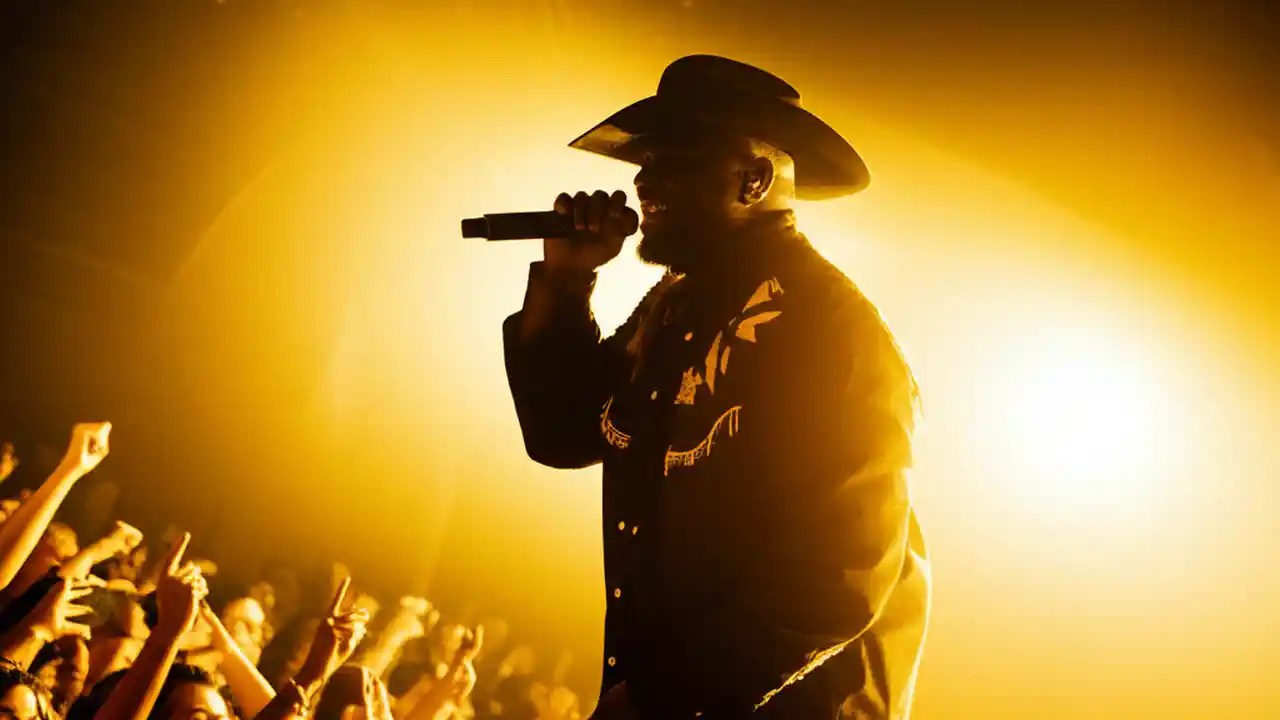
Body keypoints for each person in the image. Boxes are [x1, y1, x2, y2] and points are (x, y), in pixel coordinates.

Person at [502, 55, 930, 718]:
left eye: (673, 158)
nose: (643, 179)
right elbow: (562, 434)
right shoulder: (672, 308)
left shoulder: (831, 327)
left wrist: (658, 701)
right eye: (644, 159)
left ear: (754, 179)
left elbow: (843, 576)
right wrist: (565, 283)